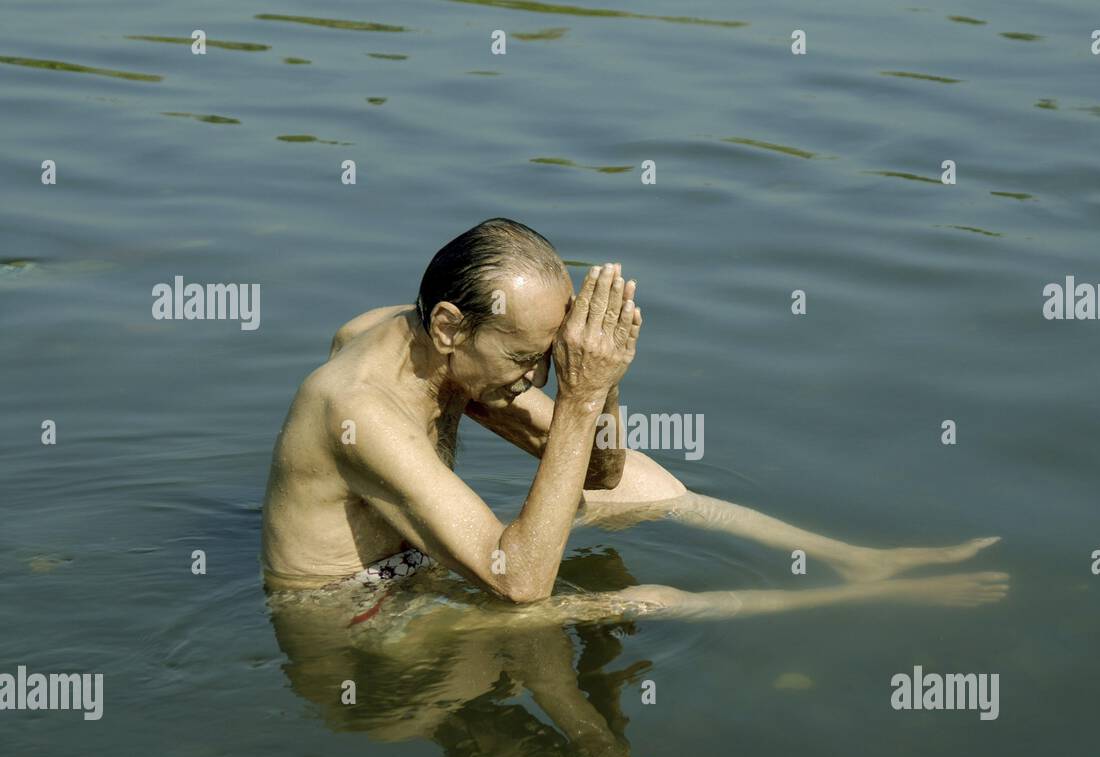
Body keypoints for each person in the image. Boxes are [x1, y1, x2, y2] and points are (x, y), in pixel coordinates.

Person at [260, 218, 1008, 618]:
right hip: (353, 620)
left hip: (413, 564)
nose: (536, 377)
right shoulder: (359, 406)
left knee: (645, 482)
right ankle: (861, 598)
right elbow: (519, 582)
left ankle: (854, 556)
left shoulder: (440, 350)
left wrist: (601, 383)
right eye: (527, 358)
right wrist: (579, 399)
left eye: (552, 357)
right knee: (647, 599)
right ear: (452, 325)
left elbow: (604, 471)